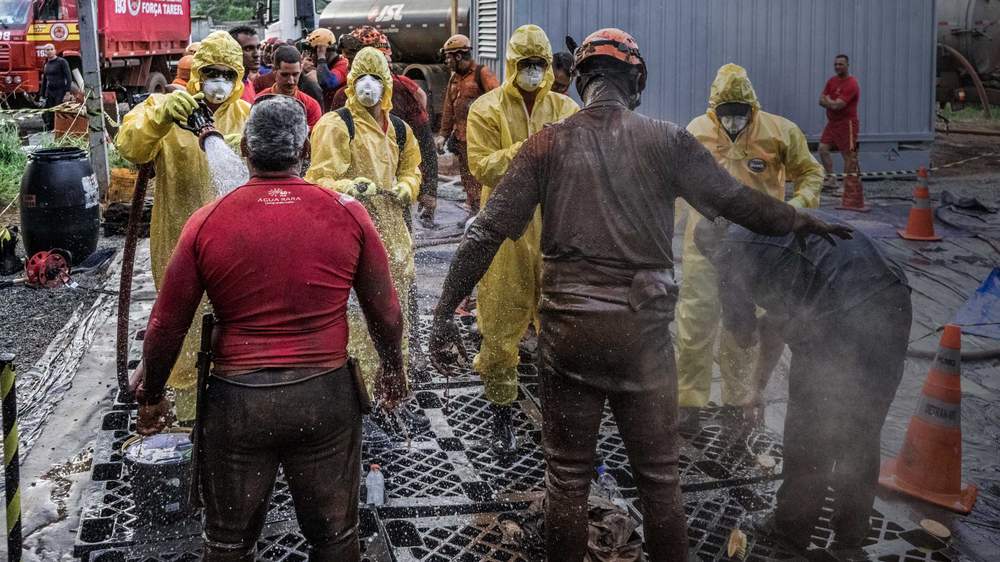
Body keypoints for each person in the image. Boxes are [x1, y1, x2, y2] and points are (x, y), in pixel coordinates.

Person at [429, 28, 851, 561]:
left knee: (567, 478)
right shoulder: (669, 140)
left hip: (569, 336)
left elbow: (484, 231)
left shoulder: (548, 142)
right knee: (658, 480)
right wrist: (799, 219)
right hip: (643, 337)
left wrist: (443, 315)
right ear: (637, 82)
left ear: (580, 82)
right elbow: (739, 202)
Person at [133, 95, 407, 561]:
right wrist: (393, 369)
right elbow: (386, 314)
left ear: (245, 153)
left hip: (236, 404)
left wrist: (152, 394)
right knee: (336, 537)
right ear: (304, 152)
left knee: (228, 541)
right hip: (324, 398)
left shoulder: (207, 222)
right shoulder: (347, 213)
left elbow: (165, 324)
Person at [693, 212, 907, 551]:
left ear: (710, 251)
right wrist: (757, 389)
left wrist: (737, 313)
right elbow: (777, 323)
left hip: (841, 316)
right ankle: (853, 528)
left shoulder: (729, 253)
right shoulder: (774, 224)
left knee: (810, 430)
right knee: (863, 425)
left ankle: (792, 525)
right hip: (893, 300)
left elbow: (746, 335)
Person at [675, 63, 824, 433]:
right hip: (705, 248)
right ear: (714, 110)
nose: (733, 121)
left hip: (756, 253)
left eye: (740, 113)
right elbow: (678, 188)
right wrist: (663, 231)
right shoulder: (695, 133)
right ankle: (687, 403)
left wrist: (797, 210)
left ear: (752, 109)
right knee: (694, 326)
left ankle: (737, 404)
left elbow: (811, 172)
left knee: (742, 329)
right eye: (725, 113)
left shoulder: (779, 132)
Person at [116, 30, 252, 423]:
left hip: (236, 254)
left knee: (234, 338)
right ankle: (188, 419)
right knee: (184, 336)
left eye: (228, 73)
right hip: (179, 248)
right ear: (197, 72)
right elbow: (129, 146)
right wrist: (159, 117)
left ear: (239, 76)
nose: (219, 81)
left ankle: (231, 420)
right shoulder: (166, 110)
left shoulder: (246, 117)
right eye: (212, 71)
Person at [464, 24, 578, 456]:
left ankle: (563, 413)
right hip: (505, 231)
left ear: (549, 66)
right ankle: (502, 413)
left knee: (562, 324)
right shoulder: (487, 109)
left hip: (556, 227)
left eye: (540, 64)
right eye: (525, 64)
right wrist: (529, 148)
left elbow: (578, 165)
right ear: (512, 66)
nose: (533, 71)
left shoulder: (566, 108)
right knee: (499, 325)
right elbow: (483, 167)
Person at [305, 47, 427, 443]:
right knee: (357, 327)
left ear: (387, 83)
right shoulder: (336, 125)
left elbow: (413, 167)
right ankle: (358, 408)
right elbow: (317, 178)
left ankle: (392, 400)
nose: (369, 86)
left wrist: (409, 187)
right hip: (351, 241)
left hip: (394, 241)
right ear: (352, 82)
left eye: (376, 78)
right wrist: (348, 187)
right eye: (362, 79)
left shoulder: (399, 129)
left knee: (396, 325)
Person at [331, 27, 438, 230]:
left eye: (358, 59)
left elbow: (424, 145)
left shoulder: (405, 91)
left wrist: (427, 191)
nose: (352, 65)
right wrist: (342, 188)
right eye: (351, 60)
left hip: (394, 197)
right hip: (354, 201)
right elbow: (329, 162)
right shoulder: (341, 98)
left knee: (399, 253)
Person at [436, 34, 500, 220]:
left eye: (449, 57)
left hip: (481, 141)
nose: (447, 61)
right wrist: (443, 135)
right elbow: (449, 108)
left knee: (482, 178)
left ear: (458, 56)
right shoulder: (454, 79)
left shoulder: (483, 73)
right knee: (467, 178)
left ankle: (484, 215)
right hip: (462, 140)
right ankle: (474, 212)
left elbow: (498, 101)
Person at [818, 54, 860, 191]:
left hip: (847, 124)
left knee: (848, 155)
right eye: (836, 64)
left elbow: (838, 106)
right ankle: (831, 179)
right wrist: (830, 102)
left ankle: (848, 184)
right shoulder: (832, 81)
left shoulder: (852, 83)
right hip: (832, 123)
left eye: (841, 64)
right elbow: (820, 100)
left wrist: (828, 101)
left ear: (847, 65)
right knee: (823, 149)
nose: (837, 67)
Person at [255, 45, 323, 130]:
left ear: (301, 69)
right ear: (274, 71)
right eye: (285, 75)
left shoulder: (311, 106)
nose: (291, 81)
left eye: (295, 74)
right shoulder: (259, 102)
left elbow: (315, 139)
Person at [39, 44, 72, 131]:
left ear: (55, 50)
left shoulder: (62, 62)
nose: (49, 51)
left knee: (59, 111)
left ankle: (60, 129)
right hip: (50, 92)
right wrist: (41, 95)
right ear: (45, 52)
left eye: (51, 49)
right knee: (48, 112)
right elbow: (44, 81)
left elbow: (69, 77)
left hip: (60, 90)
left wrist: (67, 93)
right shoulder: (46, 64)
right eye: (47, 50)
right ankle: (51, 128)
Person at [229, 25, 261, 103]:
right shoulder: (228, 89)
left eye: (258, 47)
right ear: (232, 51)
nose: (257, 54)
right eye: (248, 48)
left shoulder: (248, 82)